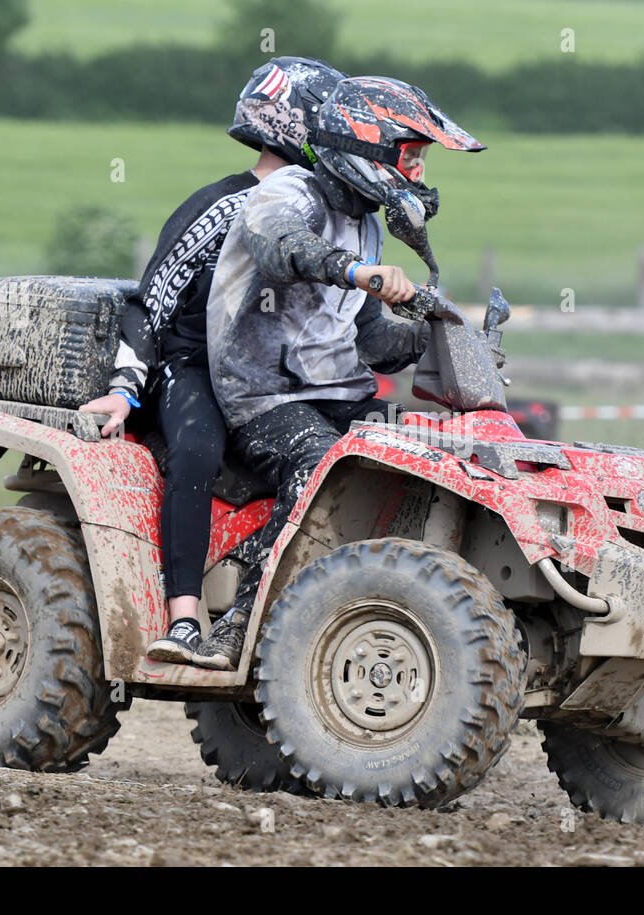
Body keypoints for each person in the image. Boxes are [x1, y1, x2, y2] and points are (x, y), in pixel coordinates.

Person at [190, 75, 485, 671]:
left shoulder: (368, 225)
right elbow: (282, 247)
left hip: (340, 394)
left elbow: (371, 341)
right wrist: (359, 273)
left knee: (440, 450)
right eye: (413, 157)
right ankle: (238, 621)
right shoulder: (287, 192)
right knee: (322, 462)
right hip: (265, 398)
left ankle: (397, 596)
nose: (420, 174)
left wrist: (434, 330)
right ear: (365, 146)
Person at [77, 57, 345, 666]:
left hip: (272, 381)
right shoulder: (222, 205)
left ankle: (283, 603)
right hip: (193, 365)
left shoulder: (324, 223)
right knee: (196, 448)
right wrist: (124, 391)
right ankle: (186, 620)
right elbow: (151, 302)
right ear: (300, 131)